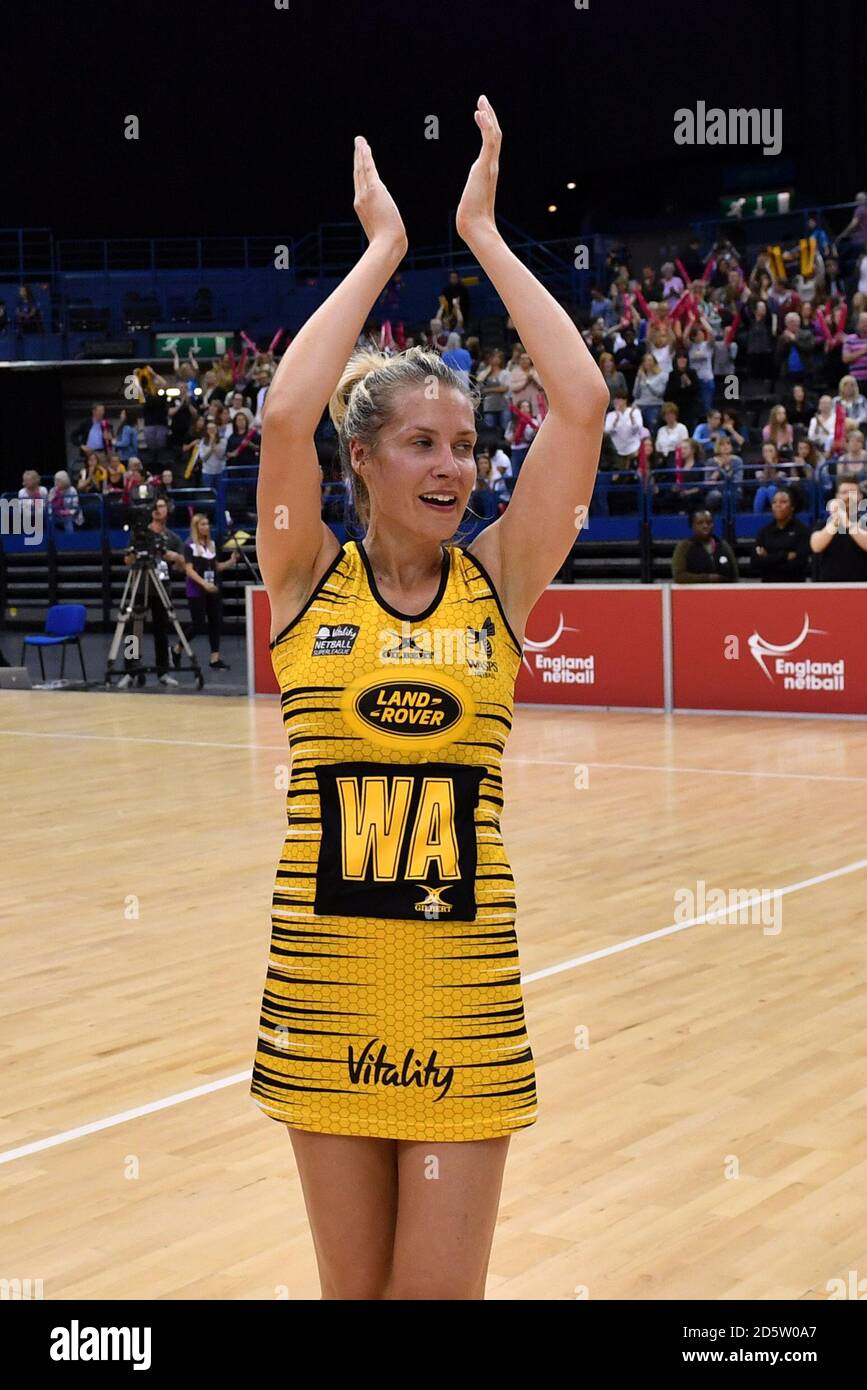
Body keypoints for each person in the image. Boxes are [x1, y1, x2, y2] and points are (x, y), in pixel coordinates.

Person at [248, 100, 608, 1302]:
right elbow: (285, 414)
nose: (458, 463)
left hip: (459, 998)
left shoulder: (501, 583)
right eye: (422, 442)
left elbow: (584, 401)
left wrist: (487, 236)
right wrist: (383, 251)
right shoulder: (304, 582)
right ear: (362, 459)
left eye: (466, 441)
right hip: (326, 983)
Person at [117, 497, 186, 688]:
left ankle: (163, 671)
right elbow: (127, 561)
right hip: (140, 587)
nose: (157, 509)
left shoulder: (173, 538)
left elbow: (181, 566)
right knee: (133, 632)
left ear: (167, 510)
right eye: (155, 506)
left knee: (161, 631)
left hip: (161, 588)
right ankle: (130, 670)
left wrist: (176, 557)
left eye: (162, 506)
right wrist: (133, 556)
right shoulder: (140, 534)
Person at [170, 513, 238, 671]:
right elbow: (189, 570)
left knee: (215, 622)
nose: (206, 527)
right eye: (202, 524)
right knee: (197, 624)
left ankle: (215, 658)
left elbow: (216, 567)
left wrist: (231, 561)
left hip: (212, 589)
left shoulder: (211, 545)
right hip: (196, 591)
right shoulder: (189, 546)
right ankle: (177, 648)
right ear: (196, 527)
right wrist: (204, 584)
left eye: (207, 524)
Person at [809, 476, 867, 581]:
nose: (848, 496)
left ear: (860, 497)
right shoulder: (823, 524)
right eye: (844, 492)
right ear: (837, 497)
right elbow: (816, 546)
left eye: (853, 492)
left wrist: (848, 523)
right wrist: (836, 520)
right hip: (830, 588)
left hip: (861, 587)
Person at [752, 489, 811, 581]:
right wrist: (784, 556)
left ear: (792, 506)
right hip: (768, 588)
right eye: (774, 502)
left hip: (794, 587)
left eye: (783, 502)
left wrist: (768, 557)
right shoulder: (764, 531)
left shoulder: (802, 531)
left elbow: (799, 565)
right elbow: (755, 563)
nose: (777, 505)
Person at [671, 508, 739, 582]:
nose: (705, 526)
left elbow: (734, 575)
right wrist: (708, 578)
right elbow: (679, 576)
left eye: (709, 522)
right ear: (692, 525)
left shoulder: (723, 545)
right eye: (700, 523)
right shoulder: (684, 547)